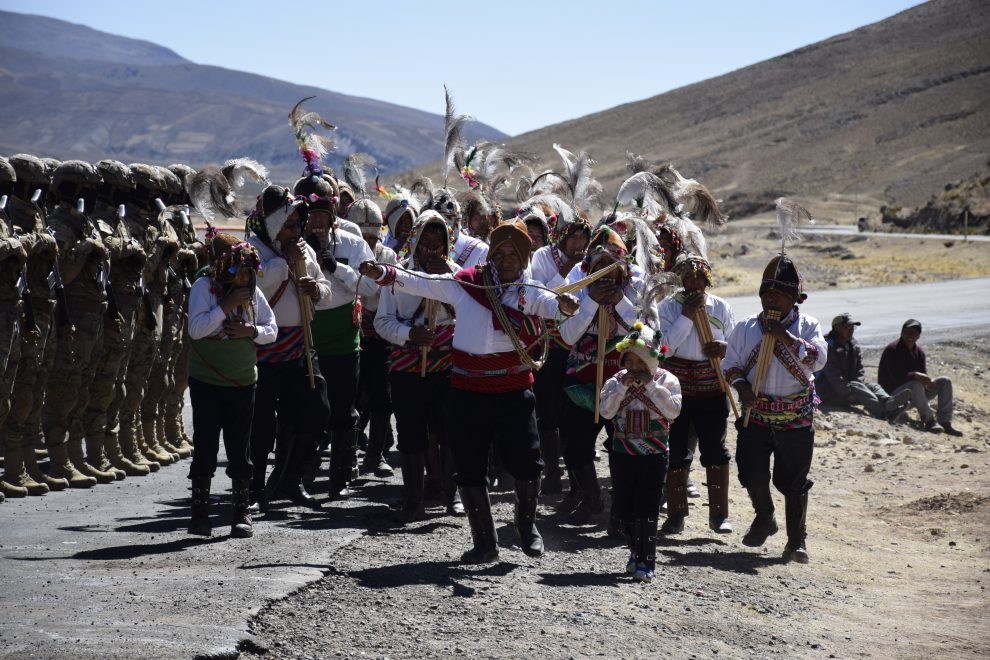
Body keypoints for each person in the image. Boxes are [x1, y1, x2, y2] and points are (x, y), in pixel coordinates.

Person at [360, 219, 579, 562]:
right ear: (491, 255)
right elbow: (422, 283)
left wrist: (564, 308)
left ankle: (526, 525)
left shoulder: (532, 291)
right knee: (469, 464)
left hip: (514, 390)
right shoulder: (465, 284)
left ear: (524, 260)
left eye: (513, 254)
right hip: (467, 389)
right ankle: (484, 542)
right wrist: (384, 273)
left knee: (526, 462)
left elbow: (554, 307)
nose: (506, 259)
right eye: (500, 253)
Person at [723, 254, 827, 563]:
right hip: (755, 416)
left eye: (779, 294)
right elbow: (731, 366)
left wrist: (782, 335)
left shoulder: (808, 325)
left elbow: (817, 359)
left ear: (794, 298)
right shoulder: (745, 328)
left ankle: (796, 542)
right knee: (750, 470)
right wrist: (742, 388)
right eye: (766, 293)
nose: (771, 299)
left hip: (795, 418)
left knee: (792, 481)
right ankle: (765, 516)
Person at [186, 231, 276, 537]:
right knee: (206, 445)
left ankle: (241, 511)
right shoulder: (203, 288)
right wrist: (225, 306)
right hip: (207, 381)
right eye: (239, 270)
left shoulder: (253, 294)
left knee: (240, 449)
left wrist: (251, 331)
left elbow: (271, 328)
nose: (245, 277)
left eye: (250, 271)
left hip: (242, 382)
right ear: (222, 268)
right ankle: (199, 515)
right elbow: (196, 329)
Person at [247, 186, 332, 509]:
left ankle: (289, 479)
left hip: (300, 345)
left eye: (299, 225)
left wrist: (316, 289)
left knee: (315, 412)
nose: (296, 231)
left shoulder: (304, 251)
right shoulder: (252, 250)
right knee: (261, 423)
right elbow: (250, 286)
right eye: (289, 224)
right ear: (271, 224)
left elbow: (323, 287)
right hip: (263, 348)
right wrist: (285, 263)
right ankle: (253, 490)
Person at [374, 211, 459, 521]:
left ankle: (453, 495)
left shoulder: (458, 275)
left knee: (449, 429)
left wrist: (446, 285)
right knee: (411, 433)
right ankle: (413, 500)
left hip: (448, 366)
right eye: (426, 243)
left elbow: (469, 313)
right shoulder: (395, 276)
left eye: (438, 244)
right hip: (407, 367)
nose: (431, 250)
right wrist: (410, 334)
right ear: (415, 242)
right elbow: (382, 322)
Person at [557, 226, 642, 525]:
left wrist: (620, 300)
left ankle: (621, 514)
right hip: (582, 379)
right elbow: (567, 336)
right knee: (575, 446)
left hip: (624, 383)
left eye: (611, 268)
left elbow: (647, 330)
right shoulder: (577, 282)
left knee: (624, 449)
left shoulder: (635, 285)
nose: (605, 275)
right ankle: (592, 499)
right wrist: (590, 300)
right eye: (598, 269)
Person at [658, 253, 735, 535]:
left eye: (698, 278)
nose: (693, 284)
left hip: (712, 387)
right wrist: (687, 317)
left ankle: (719, 516)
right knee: (676, 451)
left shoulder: (721, 307)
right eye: (687, 278)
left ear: (707, 280)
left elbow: (734, 345)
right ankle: (676, 513)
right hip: (676, 390)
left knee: (715, 450)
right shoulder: (667, 308)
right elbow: (664, 349)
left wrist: (724, 348)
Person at [600, 322, 681, 582]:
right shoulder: (614, 381)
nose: (634, 368)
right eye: (629, 361)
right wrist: (623, 387)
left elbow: (672, 411)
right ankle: (635, 553)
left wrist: (650, 387)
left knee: (646, 508)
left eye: (640, 362)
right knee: (624, 509)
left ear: (651, 361)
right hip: (622, 453)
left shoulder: (667, 381)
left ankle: (647, 562)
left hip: (655, 455)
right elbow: (606, 411)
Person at [817, 313, 910, 421]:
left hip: (850, 386)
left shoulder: (853, 344)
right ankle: (884, 413)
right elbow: (833, 375)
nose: (851, 330)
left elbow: (859, 369)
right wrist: (847, 393)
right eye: (848, 327)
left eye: (853, 327)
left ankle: (888, 401)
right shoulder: (827, 345)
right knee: (856, 386)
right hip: (828, 392)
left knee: (872, 386)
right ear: (837, 328)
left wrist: (858, 383)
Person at [878, 319, 962, 436]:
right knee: (915, 384)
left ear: (918, 336)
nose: (911, 336)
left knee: (944, 381)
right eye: (908, 332)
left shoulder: (919, 353)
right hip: (894, 396)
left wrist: (928, 382)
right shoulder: (893, 349)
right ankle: (929, 421)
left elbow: (922, 374)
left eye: (915, 333)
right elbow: (895, 378)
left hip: (915, 395)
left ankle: (945, 422)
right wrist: (915, 375)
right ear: (902, 332)